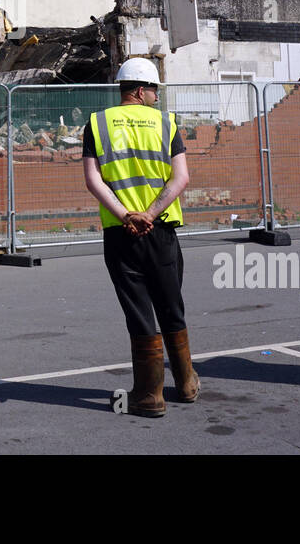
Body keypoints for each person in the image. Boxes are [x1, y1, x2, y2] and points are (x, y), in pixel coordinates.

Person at [82, 57, 196, 418]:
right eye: (154, 91)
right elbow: (181, 179)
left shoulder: (98, 124)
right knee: (170, 305)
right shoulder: (167, 123)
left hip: (121, 234)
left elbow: (93, 180)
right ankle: (187, 384)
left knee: (139, 312)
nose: (156, 98)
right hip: (160, 231)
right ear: (141, 89)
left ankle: (150, 396)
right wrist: (150, 213)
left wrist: (127, 215)